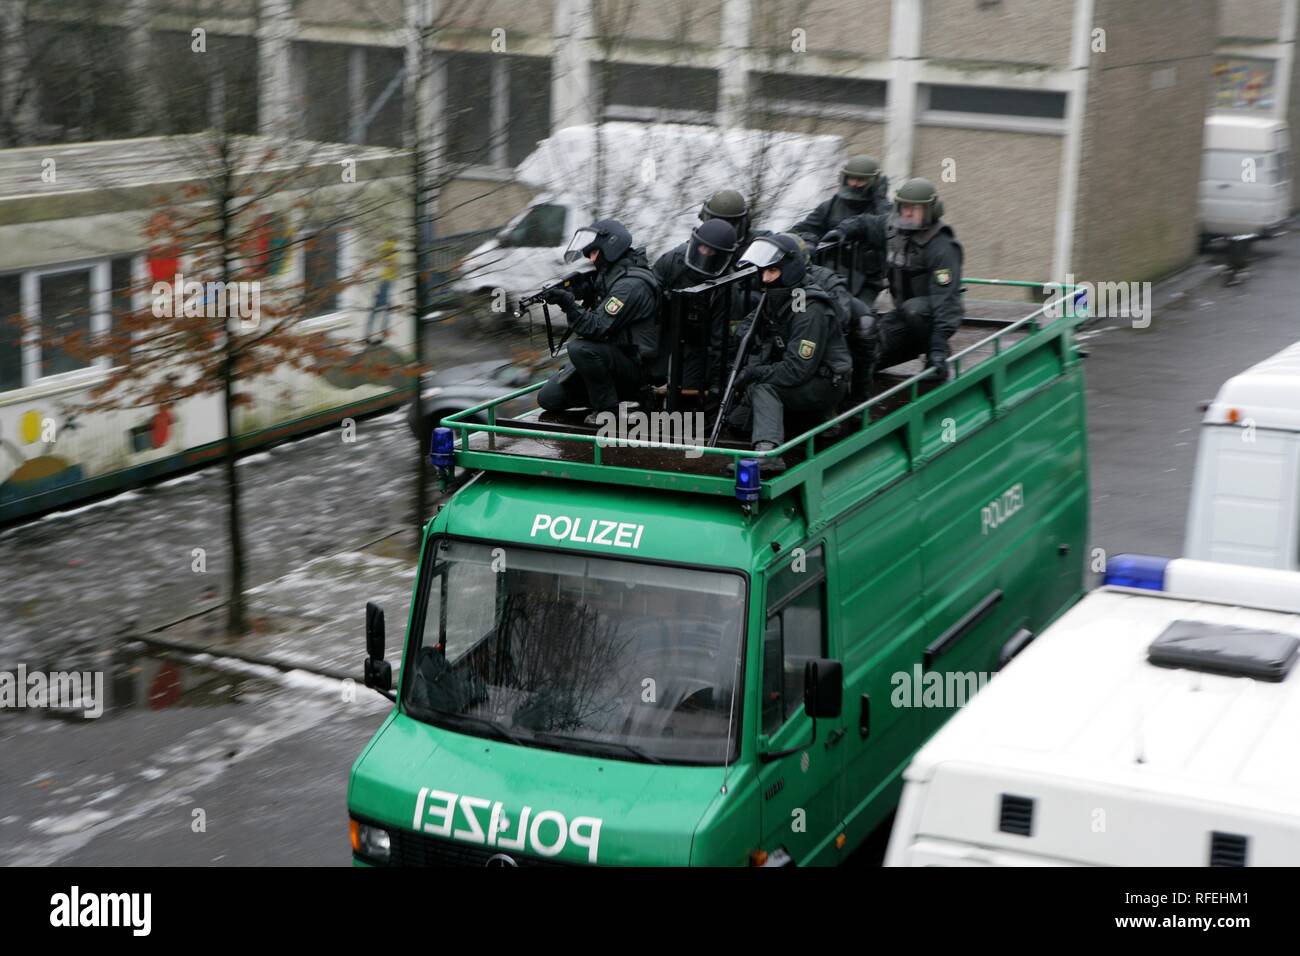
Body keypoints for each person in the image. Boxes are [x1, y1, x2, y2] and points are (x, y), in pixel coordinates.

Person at [724, 233, 852, 473]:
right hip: (806, 377)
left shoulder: (809, 307)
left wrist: (755, 372)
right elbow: (749, 328)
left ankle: (768, 452)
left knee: (763, 387)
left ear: (790, 270)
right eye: (763, 271)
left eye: (772, 271)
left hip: (826, 382)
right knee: (739, 423)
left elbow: (796, 371)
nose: (765, 278)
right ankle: (818, 422)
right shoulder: (782, 298)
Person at [823, 177, 963, 383]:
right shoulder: (892, 228)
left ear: (930, 210)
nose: (907, 213)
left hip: (926, 315)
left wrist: (938, 348)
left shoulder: (942, 246)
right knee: (867, 352)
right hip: (902, 314)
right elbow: (864, 222)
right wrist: (841, 231)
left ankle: (931, 348)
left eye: (914, 209)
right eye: (904, 207)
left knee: (913, 309)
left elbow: (947, 302)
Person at [536, 219, 661, 424]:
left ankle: (609, 411)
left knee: (580, 348)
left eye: (593, 253)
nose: (591, 260)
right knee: (549, 398)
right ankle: (616, 398)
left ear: (610, 247)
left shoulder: (630, 285)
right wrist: (573, 291)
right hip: (613, 358)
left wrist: (568, 304)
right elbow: (596, 288)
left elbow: (594, 328)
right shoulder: (610, 274)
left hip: (635, 365)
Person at [651, 217, 740, 395]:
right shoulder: (672, 261)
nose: (705, 254)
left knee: (686, 389)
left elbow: (721, 340)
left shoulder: (727, 288)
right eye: (702, 247)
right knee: (648, 377)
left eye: (712, 252)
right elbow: (649, 297)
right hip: (662, 331)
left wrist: (718, 381)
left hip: (697, 343)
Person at [789, 154, 890, 305]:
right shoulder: (830, 206)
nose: (854, 184)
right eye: (851, 178)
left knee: (861, 317)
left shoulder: (881, 208)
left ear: (873, 182)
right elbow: (797, 231)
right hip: (830, 277)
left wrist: (880, 200)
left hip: (868, 282)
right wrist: (808, 241)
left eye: (861, 180)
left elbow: (891, 229)